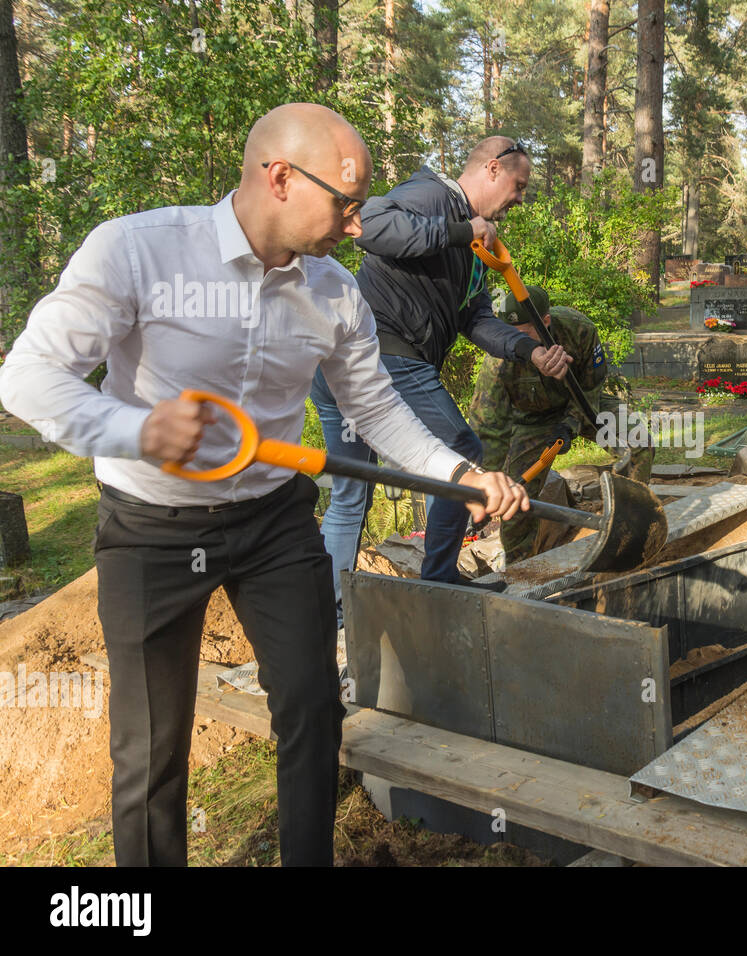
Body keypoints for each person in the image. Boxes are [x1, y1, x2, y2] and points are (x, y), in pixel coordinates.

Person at [0, 104, 528, 866]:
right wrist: (135, 431)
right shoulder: (137, 250)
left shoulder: (337, 293)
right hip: (152, 525)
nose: (356, 226)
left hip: (274, 519)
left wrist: (460, 475)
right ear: (279, 177)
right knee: (150, 744)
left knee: (314, 710)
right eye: (346, 204)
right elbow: (27, 376)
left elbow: (375, 407)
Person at [310, 136, 570, 624]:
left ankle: (332, 612)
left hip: (347, 366)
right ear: (492, 169)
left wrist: (530, 350)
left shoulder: (476, 246)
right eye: (518, 184)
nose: (520, 198)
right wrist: (458, 230)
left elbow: (475, 319)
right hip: (382, 354)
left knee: (352, 490)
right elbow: (369, 225)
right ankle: (440, 580)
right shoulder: (433, 196)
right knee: (461, 450)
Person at [467, 286, 655, 564]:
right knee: (517, 498)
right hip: (530, 421)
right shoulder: (499, 359)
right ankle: (520, 567)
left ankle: (632, 524)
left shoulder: (578, 330)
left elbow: (591, 388)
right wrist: (484, 484)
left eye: (524, 331)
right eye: (510, 331)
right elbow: (489, 427)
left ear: (545, 321)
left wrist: (570, 424)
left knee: (638, 441)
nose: (515, 339)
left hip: (583, 405)